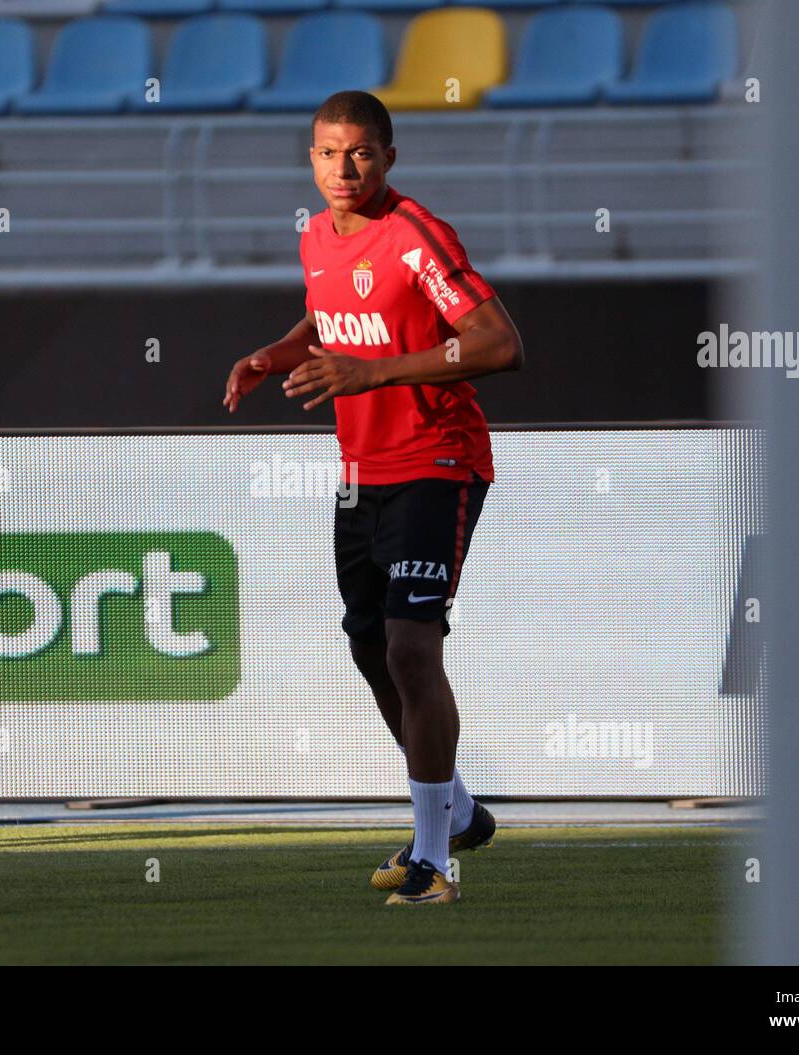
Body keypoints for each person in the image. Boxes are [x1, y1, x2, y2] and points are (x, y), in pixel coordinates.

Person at [223, 90, 524, 905]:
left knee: (411, 649)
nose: (342, 167)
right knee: (367, 645)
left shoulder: (417, 235)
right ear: (310, 159)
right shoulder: (316, 234)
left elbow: (501, 343)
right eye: (327, 152)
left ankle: (434, 860)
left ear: (389, 157)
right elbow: (330, 318)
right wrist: (279, 351)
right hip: (361, 471)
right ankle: (456, 810)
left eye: (359, 152)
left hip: (437, 459)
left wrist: (374, 372)